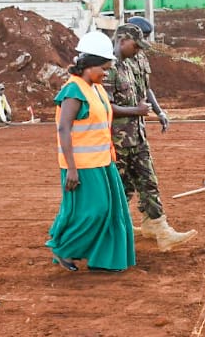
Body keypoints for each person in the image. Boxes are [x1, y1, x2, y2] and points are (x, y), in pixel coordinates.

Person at [47, 31, 142, 272]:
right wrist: (71, 168)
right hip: (83, 165)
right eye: (104, 68)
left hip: (103, 161)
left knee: (112, 211)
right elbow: (64, 130)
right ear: (89, 66)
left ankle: (104, 260)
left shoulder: (96, 88)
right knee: (94, 211)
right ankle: (63, 248)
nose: (107, 73)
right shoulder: (73, 92)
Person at [108, 24, 195, 251]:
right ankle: (116, 231)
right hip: (116, 141)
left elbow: (145, 90)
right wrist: (135, 111)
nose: (139, 49)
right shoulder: (108, 67)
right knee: (122, 188)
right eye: (138, 43)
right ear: (123, 40)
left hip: (137, 135)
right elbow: (104, 106)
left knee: (149, 181)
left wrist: (158, 111)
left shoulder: (133, 61)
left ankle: (159, 227)